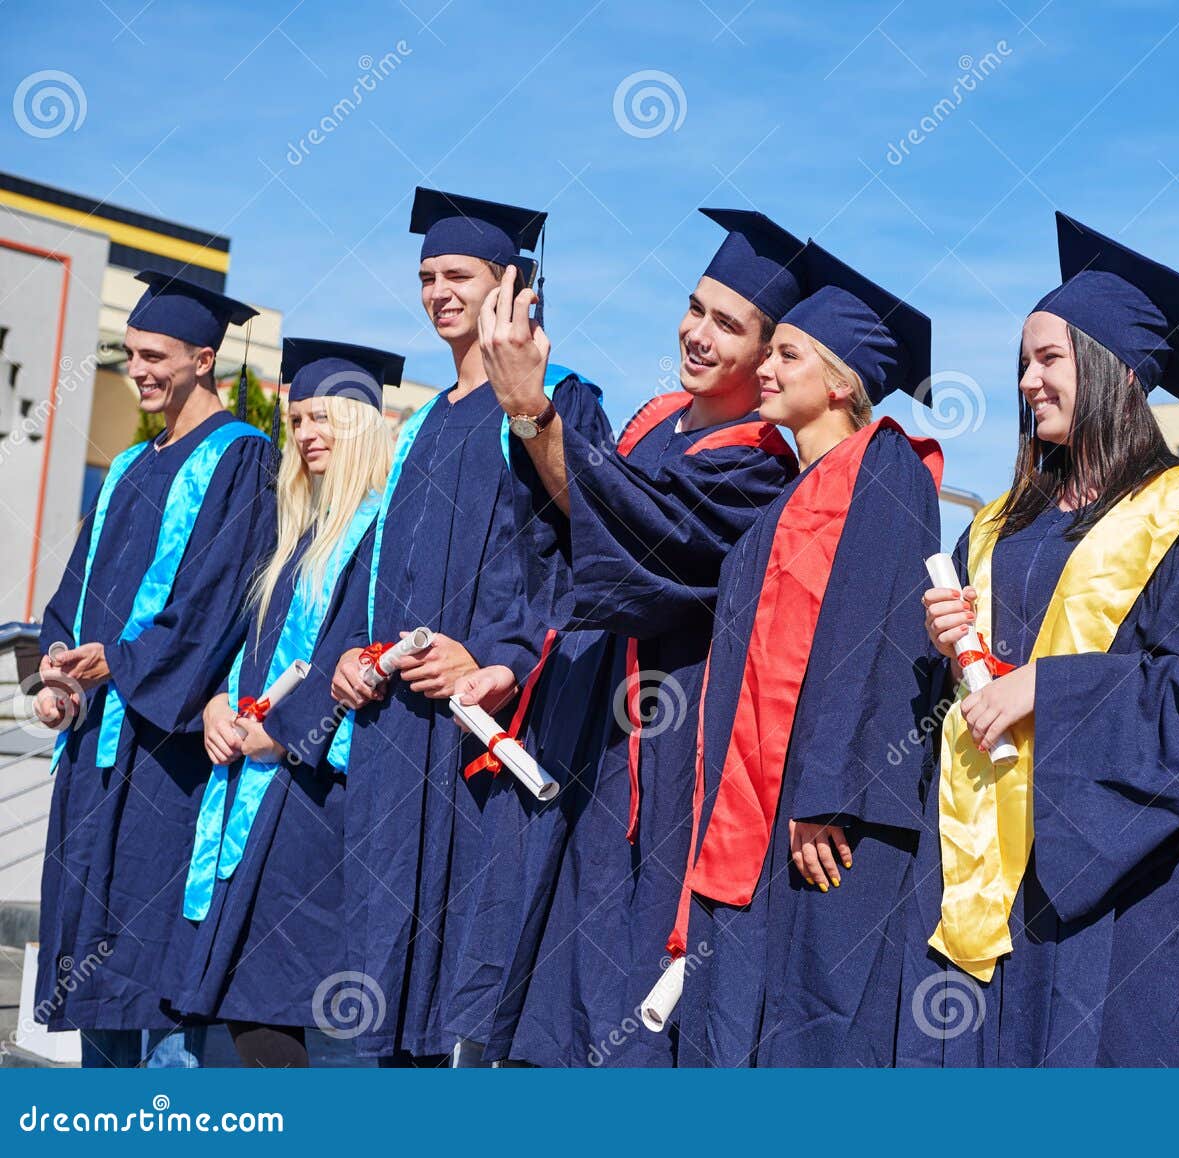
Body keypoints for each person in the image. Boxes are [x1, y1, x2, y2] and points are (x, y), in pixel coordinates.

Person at [902, 212, 1179, 1067]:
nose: (1026, 380)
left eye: (1049, 358)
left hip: (1123, 887)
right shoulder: (995, 527)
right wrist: (959, 648)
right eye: (1023, 360)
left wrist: (1046, 691)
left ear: (1118, 371)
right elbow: (971, 691)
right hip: (984, 863)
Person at [466, 208, 802, 1065]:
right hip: (581, 722)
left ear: (769, 355)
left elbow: (638, 535)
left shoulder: (761, 461)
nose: (695, 333)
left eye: (728, 324)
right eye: (695, 307)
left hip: (660, 743)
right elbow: (566, 531)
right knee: (545, 974)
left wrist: (533, 413)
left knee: (619, 986)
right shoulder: (655, 417)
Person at [328, 188, 604, 1065]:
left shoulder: (562, 404)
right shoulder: (416, 428)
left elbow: (585, 561)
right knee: (383, 1001)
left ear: (510, 284)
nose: (440, 291)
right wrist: (354, 655)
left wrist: (501, 659)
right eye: (426, 276)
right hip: (394, 740)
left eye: (460, 274)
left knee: (470, 1003)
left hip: (487, 736)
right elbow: (378, 576)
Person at [667, 239, 944, 1066]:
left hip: (821, 820)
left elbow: (881, 638)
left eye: (787, 353)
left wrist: (833, 792)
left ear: (841, 382)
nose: (767, 367)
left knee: (811, 1030)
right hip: (753, 808)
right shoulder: (786, 495)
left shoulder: (887, 467)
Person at [33, 272, 278, 1067]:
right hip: (96, 753)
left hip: (167, 759)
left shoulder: (243, 459)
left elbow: (216, 607)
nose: (137, 369)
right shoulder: (133, 464)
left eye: (155, 355)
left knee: (158, 959)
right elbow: (78, 589)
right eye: (129, 353)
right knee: (96, 974)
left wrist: (125, 661)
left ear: (204, 359)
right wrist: (59, 671)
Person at [166, 340, 400, 1068]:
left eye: (322, 417)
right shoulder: (296, 535)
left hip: (313, 799)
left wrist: (286, 734)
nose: (305, 434)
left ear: (362, 426)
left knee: (271, 1003)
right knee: (247, 1008)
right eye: (296, 419)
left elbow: (363, 654)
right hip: (255, 785)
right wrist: (213, 703)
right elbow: (252, 652)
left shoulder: (382, 534)